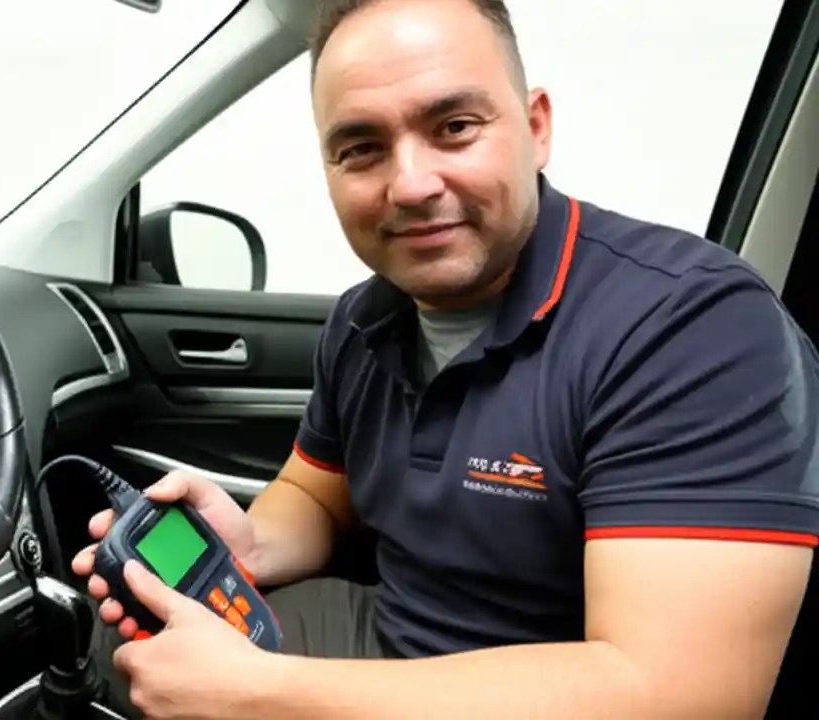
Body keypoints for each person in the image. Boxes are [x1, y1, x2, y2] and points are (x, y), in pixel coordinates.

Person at [70, 0, 819, 717]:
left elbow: (676, 697)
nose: (411, 185)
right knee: (122, 643)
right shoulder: (363, 320)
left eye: (454, 128)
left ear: (536, 128)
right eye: (362, 148)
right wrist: (254, 542)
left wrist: (261, 697)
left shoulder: (692, 328)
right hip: (389, 643)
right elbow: (316, 495)